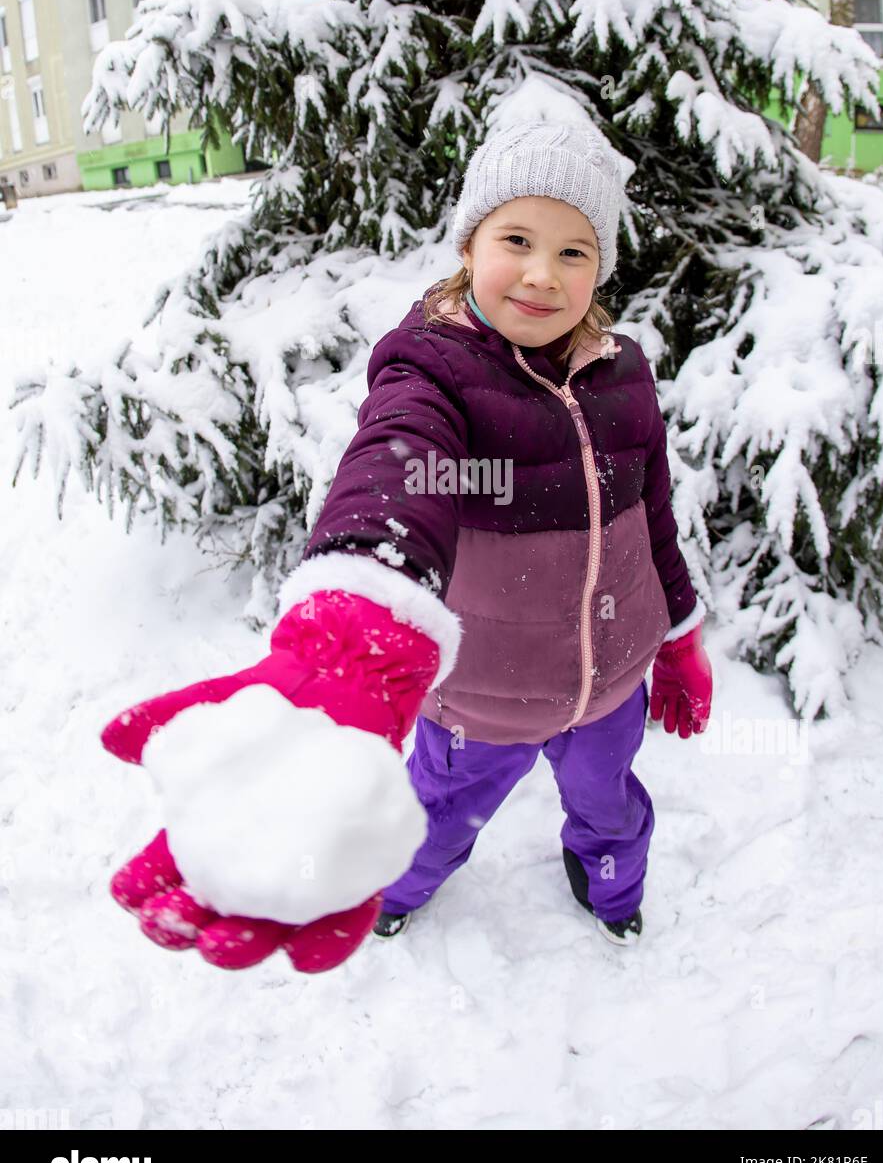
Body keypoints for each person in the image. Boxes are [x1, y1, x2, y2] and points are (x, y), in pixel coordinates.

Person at [100, 119, 713, 973]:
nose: (543, 273)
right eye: (518, 239)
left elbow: (652, 515)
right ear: (471, 243)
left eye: (575, 252)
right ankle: (398, 891)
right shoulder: (435, 371)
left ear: (601, 268)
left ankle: (612, 889)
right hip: (481, 699)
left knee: (610, 809)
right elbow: (399, 467)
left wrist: (678, 638)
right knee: (435, 813)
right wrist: (356, 615)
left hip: (612, 682)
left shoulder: (623, 372)